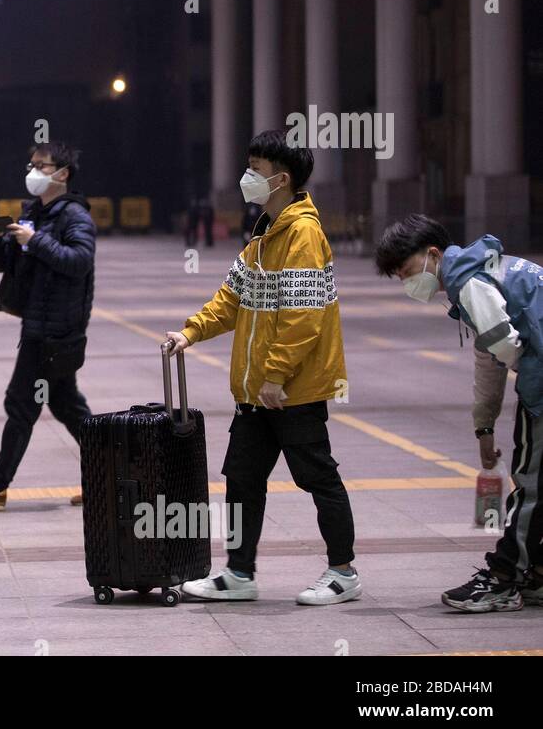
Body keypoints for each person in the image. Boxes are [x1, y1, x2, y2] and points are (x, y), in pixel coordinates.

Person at [166, 129, 358, 605]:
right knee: (242, 480)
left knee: (318, 477)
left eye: (257, 169)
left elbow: (302, 317)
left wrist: (276, 374)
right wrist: (191, 331)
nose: (247, 177)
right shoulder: (262, 238)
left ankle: (343, 572)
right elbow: (232, 299)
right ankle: (238, 573)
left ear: (282, 179)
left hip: (293, 389)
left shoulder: (303, 235)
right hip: (256, 393)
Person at [375, 214, 543, 612]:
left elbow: (501, 343)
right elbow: (489, 358)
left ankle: (504, 578)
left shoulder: (468, 282)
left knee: (531, 483)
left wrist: (526, 369)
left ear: (433, 254)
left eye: (407, 271)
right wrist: (484, 428)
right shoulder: (485, 270)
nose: (407, 284)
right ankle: (534, 572)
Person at [0, 143, 94, 509]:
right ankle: (114, 479)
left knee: (21, 404)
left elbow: (79, 261)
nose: (33, 171)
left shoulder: (74, 216)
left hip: (55, 332)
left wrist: (37, 240)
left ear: (62, 174)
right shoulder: (33, 213)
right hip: (40, 325)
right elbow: (7, 265)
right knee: (66, 406)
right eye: (31, 164)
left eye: (41, 166)